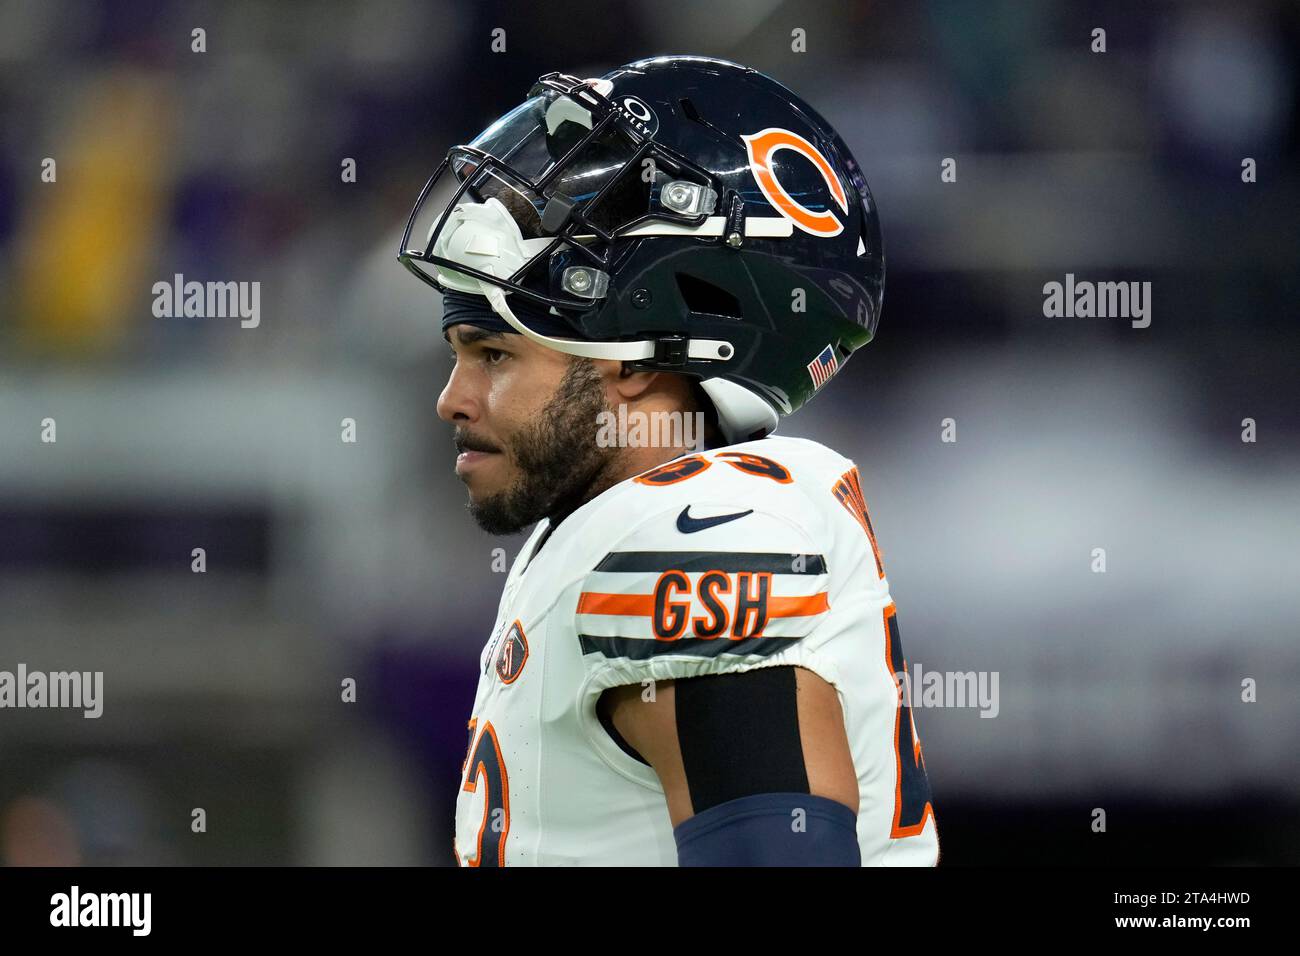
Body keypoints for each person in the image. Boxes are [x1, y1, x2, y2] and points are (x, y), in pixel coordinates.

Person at [399, 55, 937, 866]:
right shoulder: (611, 530)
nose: (453, 398)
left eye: (495, 354)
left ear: (637, 357)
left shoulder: (689, 538)